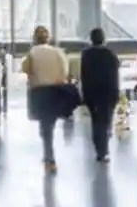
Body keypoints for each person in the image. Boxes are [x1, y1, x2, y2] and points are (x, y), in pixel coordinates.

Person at [21, 25, 70, 174]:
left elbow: (25, 69)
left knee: (45, 127)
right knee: (50, 124)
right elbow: (65, 71)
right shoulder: (57, 52)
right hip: (55, 91)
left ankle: (49, 158)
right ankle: (49, 156)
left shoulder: (32, 53)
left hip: (40, 92)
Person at [81, 28, 121, 164]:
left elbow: (84, 76)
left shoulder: (86, 55)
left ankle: (100, 149)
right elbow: (115, 75)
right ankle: (103, 149)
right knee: (106, 121)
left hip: (92, 93)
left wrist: (85, 95)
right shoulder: (110, 54)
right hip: (108, 93)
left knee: (96, 121)